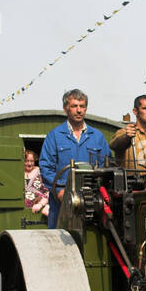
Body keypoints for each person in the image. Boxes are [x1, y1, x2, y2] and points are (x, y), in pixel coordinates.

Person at [39, 89, 111, 229]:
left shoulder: (97, 137)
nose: (79, 110)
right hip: (61, 205)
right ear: (66, 108)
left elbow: (107, 167)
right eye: (74, 106)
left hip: (92, 203)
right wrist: (60, 192)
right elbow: (46, 168)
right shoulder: (54, 136)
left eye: (82, 106)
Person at [23, 147, 49, 218]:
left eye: (32, 161)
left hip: (38, 209)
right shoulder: (18, 171)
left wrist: (40, 204)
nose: (29, 163)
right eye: (26, 161)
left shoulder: (40, 173)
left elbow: (48, 192)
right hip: (22, 211)